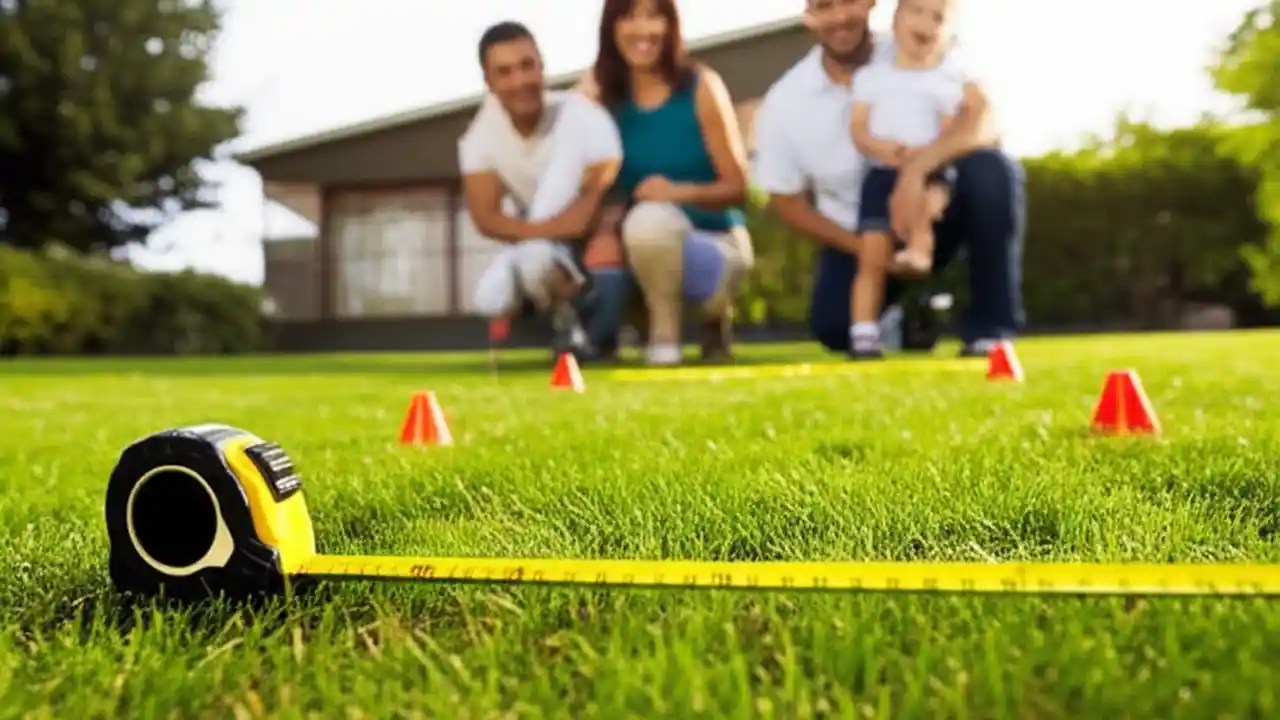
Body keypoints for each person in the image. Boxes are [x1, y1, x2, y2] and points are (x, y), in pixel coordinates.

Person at [752, 0, 1025, 359]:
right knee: (835, 328)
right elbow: (785, 201)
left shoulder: (924, 41)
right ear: (809, 16)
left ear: (870, 4)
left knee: (993, 170)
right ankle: (907, 315)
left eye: (849, 2)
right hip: (858, 232)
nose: (840, 17)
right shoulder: (785, 102)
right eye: (824, 6)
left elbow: (986, 122)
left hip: (935, 210)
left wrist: (916, 170)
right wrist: (866, 250)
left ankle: (991, 329)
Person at [579, 0, 756, 366]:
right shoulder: (607, 98)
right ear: (611, 28)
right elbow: (575, 176)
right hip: (642, 251)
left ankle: (694, 325)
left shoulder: (701, 86)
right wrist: (584, 98)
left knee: (651, 219)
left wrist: (676, 193)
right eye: (629, 17)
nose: (643, 29)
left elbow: (740, 188)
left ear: (671, 25)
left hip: (716, 241)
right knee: (641, 225)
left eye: (654, 16)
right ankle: (641, 335)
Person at [459, 21, 627, 358]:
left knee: (605, 244)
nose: (520, 80)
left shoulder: (584, 118)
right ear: (489, 82)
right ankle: (567, 325)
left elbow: (588, 211)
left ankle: (607, 331)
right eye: (504, 72)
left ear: (541, 66)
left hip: (605, 231)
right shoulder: (479, 138)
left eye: (526, 66)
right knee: (500, 289)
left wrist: (535, 233)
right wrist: (539, 237)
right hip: (542, 243)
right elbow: (486, 219)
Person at [847, 0, 964, 357]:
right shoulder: (871, 78)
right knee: (871, 258)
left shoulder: (945, 82)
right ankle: (864, 334)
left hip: (928, 171)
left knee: (928, 200)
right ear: (896, 20)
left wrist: (922, 157)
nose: (927, 23)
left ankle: (918, 249)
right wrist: (884, 149)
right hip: (882, 171)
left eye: (938, 18)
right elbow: (859, 129)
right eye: (917, 11)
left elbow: (949, 134)